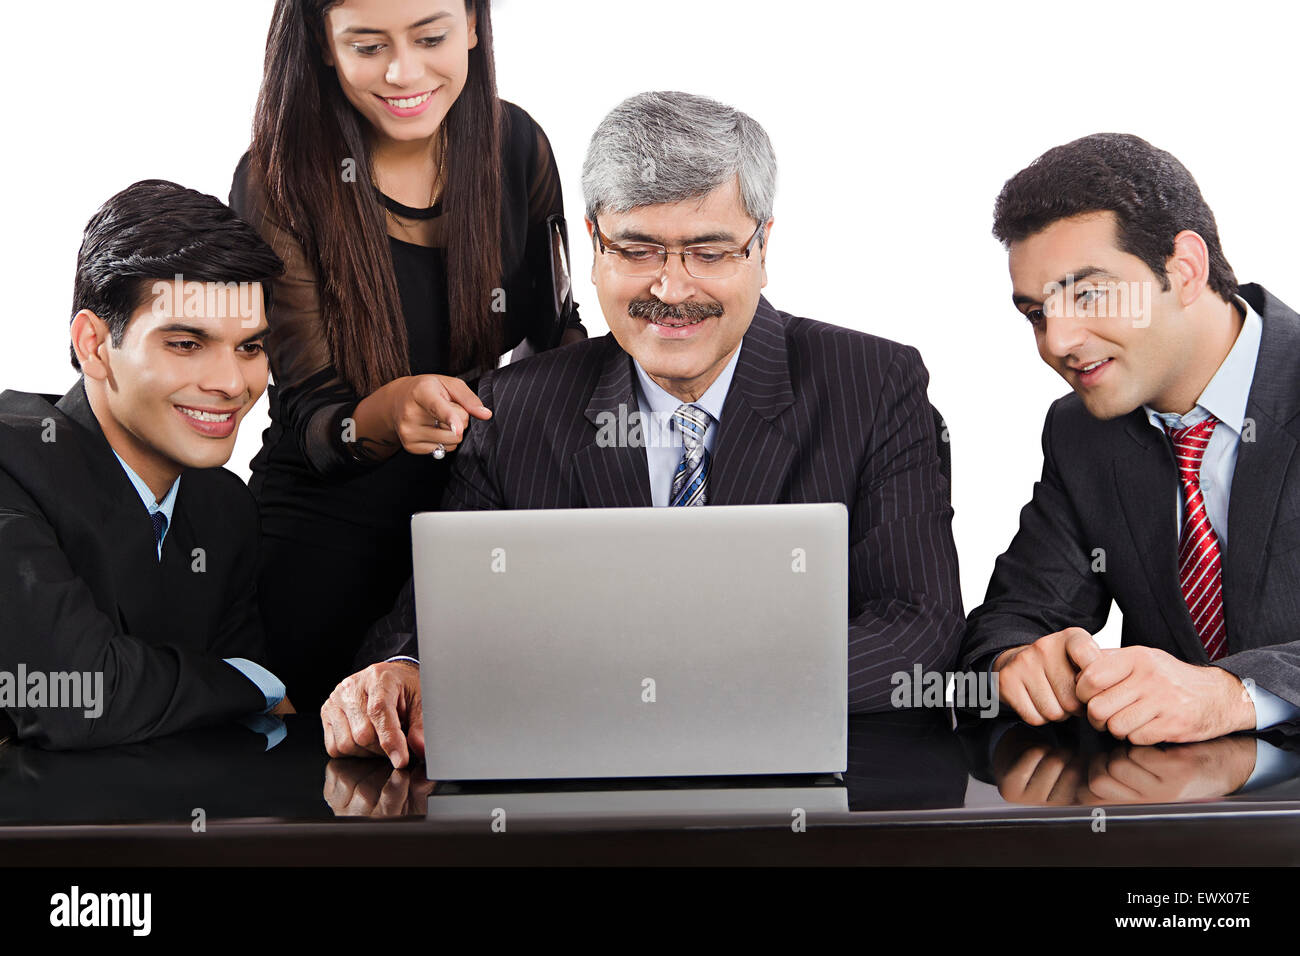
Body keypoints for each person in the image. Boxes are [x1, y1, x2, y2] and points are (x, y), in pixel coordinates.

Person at [321, 91, 966, 767]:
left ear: (763, 246)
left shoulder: (875, 383)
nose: (673, 289)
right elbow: (428, 625)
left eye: (709, 253)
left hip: (808, 794)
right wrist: (404, 670)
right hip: (582, 798)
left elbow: (918, 630)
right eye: (638, 249)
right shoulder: (515, 409)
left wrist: (679, 685)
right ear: (594, 244)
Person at [230, 0, 586, 709]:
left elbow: (559, 334)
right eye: (367, 46)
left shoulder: (518, 146)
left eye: (431, 37)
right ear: (324, 47)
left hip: (481, 536)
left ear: (475, 27)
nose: (403, 72)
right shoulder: (278, 181)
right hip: (326, 547)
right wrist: (390, 415)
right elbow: (313, 422)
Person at [962, 133, 1300, 745]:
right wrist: (1020, 662)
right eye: (1036, 313)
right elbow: (1014, 618)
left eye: (1088, 293)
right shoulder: (1082, 432)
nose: (1057, 341)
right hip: (1168, 820)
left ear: (1185, 269)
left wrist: (1235, 695)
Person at [0, 180, 291, 749]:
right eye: (186, 344)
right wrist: (250, 682)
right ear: (93, 344)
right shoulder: (11, 464)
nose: (231, 384)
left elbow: (239, 730)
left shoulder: (224, 507)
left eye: (250, 347)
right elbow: (73, 694)